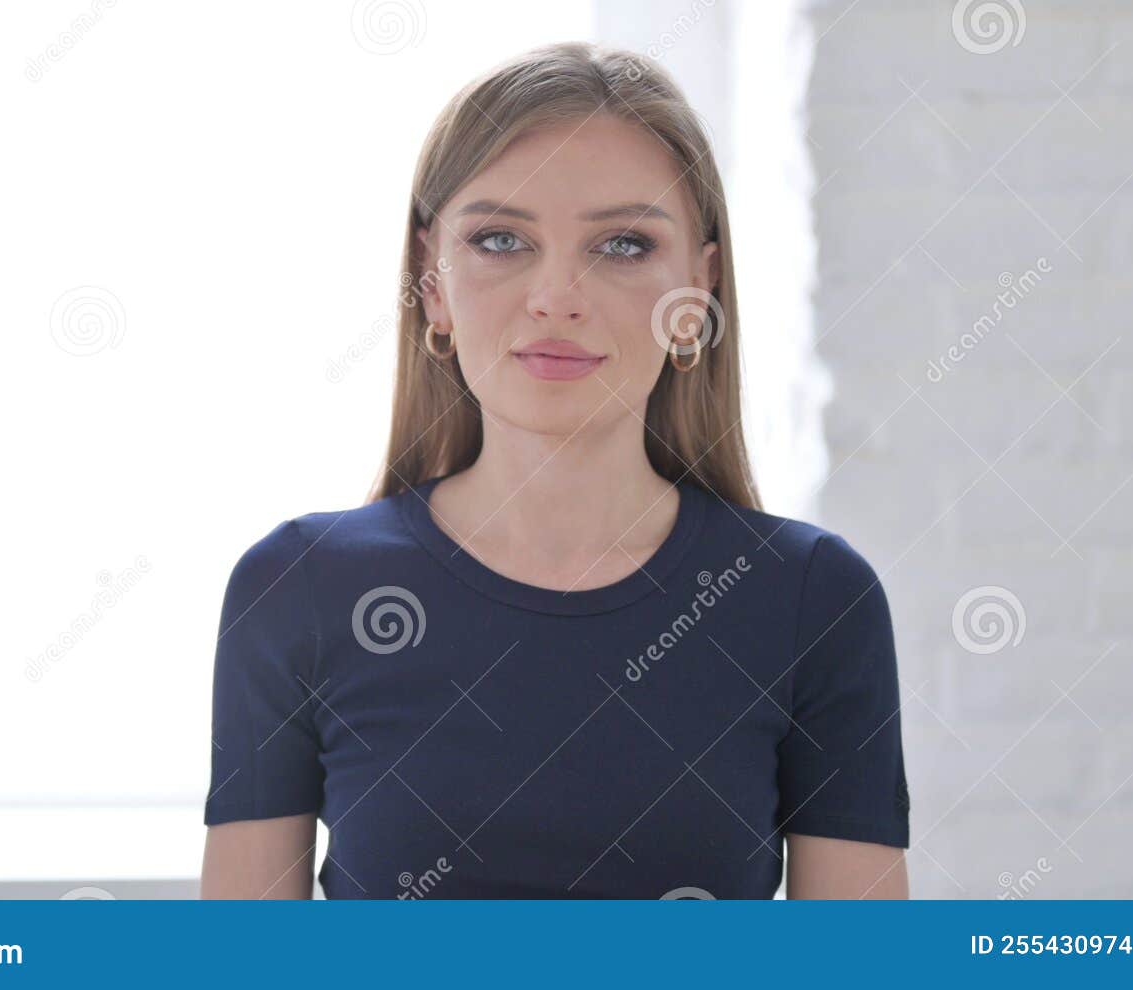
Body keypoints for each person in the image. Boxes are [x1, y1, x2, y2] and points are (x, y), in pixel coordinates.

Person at [200, 41, 909, 900]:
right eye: (501, 239)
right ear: (431, 283)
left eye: (621, 244)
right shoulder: (297, 589)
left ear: (698, 289)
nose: (556, 296)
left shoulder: (814, 601)